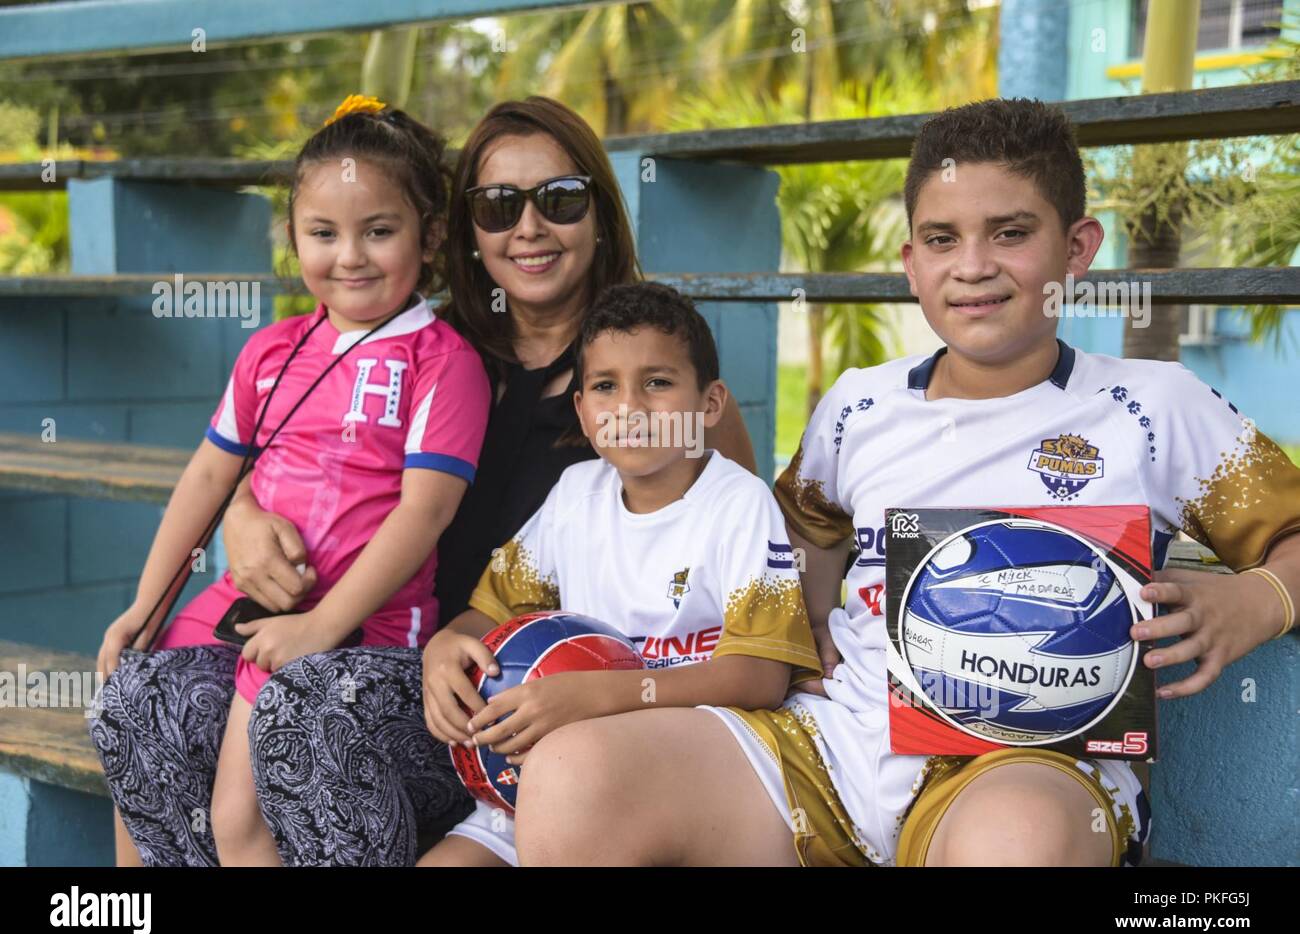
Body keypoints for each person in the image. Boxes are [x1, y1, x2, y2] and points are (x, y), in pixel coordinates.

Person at [511, 97, 1300, 867]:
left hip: (1025, 766)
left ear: (1077, 248)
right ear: (912, 264)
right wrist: (804, 623)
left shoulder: (1154, 406)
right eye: (941, 238)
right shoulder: (861, 403)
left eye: (1012, 233)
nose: (974, 266)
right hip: (827, 749)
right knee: (577, 774)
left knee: (1015, 844)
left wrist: (1258, 600)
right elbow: (802, 537)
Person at [231, 97, 758, 865]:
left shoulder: (649, 381)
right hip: (418, 665)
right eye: (498, 206)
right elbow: (273, 452)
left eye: (561, 200)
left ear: (602, 214)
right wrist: (240, 514)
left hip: (572, 707)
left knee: (306, 709)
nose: (529, 228)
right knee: (165, 705)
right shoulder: (426, 350)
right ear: (468, 232)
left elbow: (747, 539)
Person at [88, 94, 490, 866]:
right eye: (323, 233)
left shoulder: (443, 361)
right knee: (131, 706)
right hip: (252, 616)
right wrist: (148, 603)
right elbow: (211, 474)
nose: (350, 257)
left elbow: (424, 513)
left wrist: (321, 625)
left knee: (242, 823)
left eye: (379, 231)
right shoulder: (272, 352)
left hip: (363, 634)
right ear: (293, 237)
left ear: (430, 237)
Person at [417, 281, 821, 866]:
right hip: (547, 766)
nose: (630, 408)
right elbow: (492, 611)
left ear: (709, 405)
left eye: (657, 383)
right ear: (581, 410)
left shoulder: (737, 502)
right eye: (605, 387)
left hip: (686, 768)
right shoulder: (576, 493)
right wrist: (445, 645)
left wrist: (602, 695)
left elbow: (760, 677)